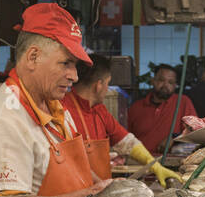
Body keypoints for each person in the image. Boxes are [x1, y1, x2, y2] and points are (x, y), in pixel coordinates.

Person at [0, 2, 98, 196]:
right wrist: (91, 195)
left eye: (75, 65)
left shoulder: (55, 106)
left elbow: (76, 173)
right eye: (65, 63)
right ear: (33, 57)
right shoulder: (3, 120)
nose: (75, 76)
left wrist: (104, 188)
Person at [62, 53, 182, 185]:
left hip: (100, 191)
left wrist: (154, 166)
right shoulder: (62, 110)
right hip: (75, 194)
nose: (108, 89)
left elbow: (126, 141)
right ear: (99, 85)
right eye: (108, 83)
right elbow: (69, 162)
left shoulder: (99, 110)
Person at [126, 64, 199, 154]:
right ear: (153, 81)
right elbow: (125, 138)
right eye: (161, 80)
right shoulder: (136, 107)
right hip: (139, 162)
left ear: (175, 85)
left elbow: (195, 132)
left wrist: (174, 139)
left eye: (170, 82)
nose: (165, 85)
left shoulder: (183, 102)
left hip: (171, 161)